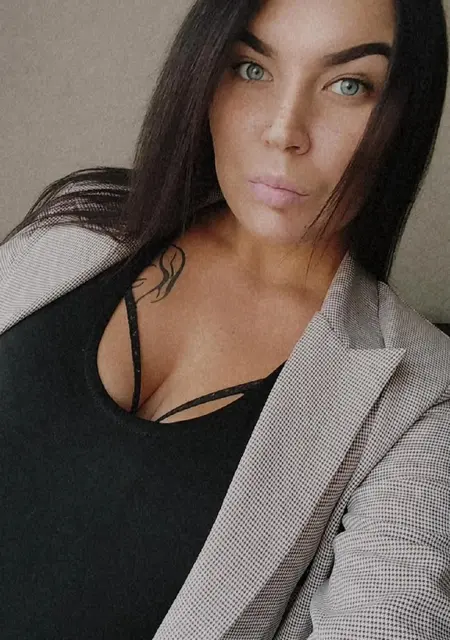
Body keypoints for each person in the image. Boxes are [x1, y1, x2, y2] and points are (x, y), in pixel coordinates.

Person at [0, 0, 449, 637]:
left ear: (407, 111)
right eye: (252, 68)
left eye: (348, 85)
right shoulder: (80, 220)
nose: (284, 131)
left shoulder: (419, 397)